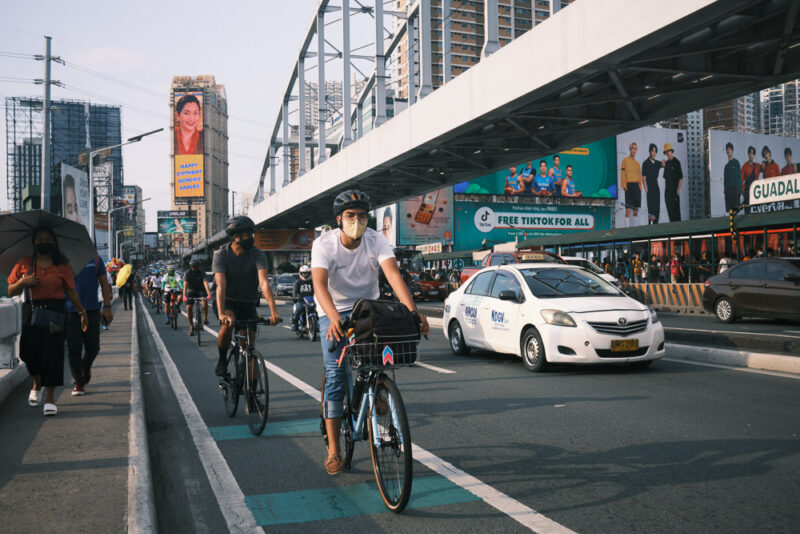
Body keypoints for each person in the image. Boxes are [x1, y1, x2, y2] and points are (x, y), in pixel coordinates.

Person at [311, 189, 429, 475]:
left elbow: (393, 275)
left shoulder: (376, 240)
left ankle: (376, 391)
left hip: (368, 309)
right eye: (350, 216)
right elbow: (319, 286)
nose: (357, 221)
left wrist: (412, 312)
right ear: (339, 219)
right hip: (333, 310)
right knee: (336, 377)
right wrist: (333, 317)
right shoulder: (324, 244)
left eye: (362, 216)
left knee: (376, 363)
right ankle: (334, 451)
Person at [6, 227, 88, 416]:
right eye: (40, 239)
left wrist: (81, 312)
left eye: (48, 239)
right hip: (31, 311)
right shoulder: (24, 263)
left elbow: (70, 291)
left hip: (55, 312)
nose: (44, 241)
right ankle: (37, 383)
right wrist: (22, 283)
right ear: (34, 242)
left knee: (53, 355)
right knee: (27, 353)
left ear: (54, 242)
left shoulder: (62, 265)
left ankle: (50, 399)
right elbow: (11, 290)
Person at [213, 216, 281, 377]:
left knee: (249, 345)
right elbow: (221, 285)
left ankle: (253, 390)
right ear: (236, 237)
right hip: (227, 301)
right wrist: (222, 313)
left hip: (247, 302)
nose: (252, 238)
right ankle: (222, 360)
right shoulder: (221, 254)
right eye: (247, 234)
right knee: (228, 324)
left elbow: (264, 283)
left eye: (252, 234)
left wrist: (274, 312)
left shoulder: (257, 254)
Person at [66, 255, 114, 396]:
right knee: (74, 348)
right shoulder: (64, 259)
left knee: (93, 347)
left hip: (92, 309)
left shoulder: (96, 259)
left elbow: (104, 284)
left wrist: (107, 307)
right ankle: (78, 381)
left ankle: (85, 366)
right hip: (71, 311)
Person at [182, 259, 212, 336]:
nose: (195, 268)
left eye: (196, 267)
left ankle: (205, 318)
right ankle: (191, 327)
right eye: (193, 267)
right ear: (191, 267)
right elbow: (185, 285)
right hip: (191, 291)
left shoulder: (202, 273)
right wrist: (184, 296)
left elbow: (205, 283)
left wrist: (209, 294)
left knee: (204, 301)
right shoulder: (187, 273)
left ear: (199, 267)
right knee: (189, 308)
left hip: (201, 290)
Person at [661, 143, 683, 222]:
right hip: (668, 193)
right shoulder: (667, 163)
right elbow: (665, 179)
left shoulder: (677, 162)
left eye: (668, 151)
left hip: (674, 192)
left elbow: (681, 178)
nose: (667, 153)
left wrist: (677, 191)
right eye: (666, 152)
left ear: (671, 151)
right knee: (670, 214)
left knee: (676, 214)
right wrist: (666, 190)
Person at [620, 142, 642, 222]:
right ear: (630, 149)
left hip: (636, 187)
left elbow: (639, 176)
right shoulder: (625, 160)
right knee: (628, 210)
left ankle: (634, 228)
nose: (634, 150)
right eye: (632, 148)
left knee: (635, 211)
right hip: (628, 186)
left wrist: (640, 188)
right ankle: (626, 228)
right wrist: (624, 186)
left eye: (635, 148)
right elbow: (622, 173)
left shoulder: (637, 164)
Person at [642, 143, 661, 224]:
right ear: (650, 151)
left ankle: (656, 226)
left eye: (655, 151)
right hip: (650, 190)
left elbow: (665, 164)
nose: (654, 153)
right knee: (651, 211)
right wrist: (647, 190)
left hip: (656, 189)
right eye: (653, 151)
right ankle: (651, 227)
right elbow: (644, 178)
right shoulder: (645, 163)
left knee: (657, 210)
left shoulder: (657, 163)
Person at [292, 265, 314, 332]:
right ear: (301, 273)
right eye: (304, 273)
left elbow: (317, 290)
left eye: (307, 273)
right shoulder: (298, 282)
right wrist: (294, 297)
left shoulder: (312, 282)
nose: (305, 275)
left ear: (310, 273)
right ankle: (295, 324)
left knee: (319, 310)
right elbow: (294, 291)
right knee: (299, 309)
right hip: (301, 301)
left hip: (311, 301)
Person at [723, 142, 742, 213]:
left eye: (730, 149)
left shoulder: (736, 162)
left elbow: (739, 177)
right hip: (728, 191)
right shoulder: (726, 166)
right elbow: (725, 181)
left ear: (732, 150)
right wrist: (725, 192)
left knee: (735, 211)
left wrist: (739, 191)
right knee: (730, 211)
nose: (728, 151)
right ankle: (731, 220)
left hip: (735, 190)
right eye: (727, 149)